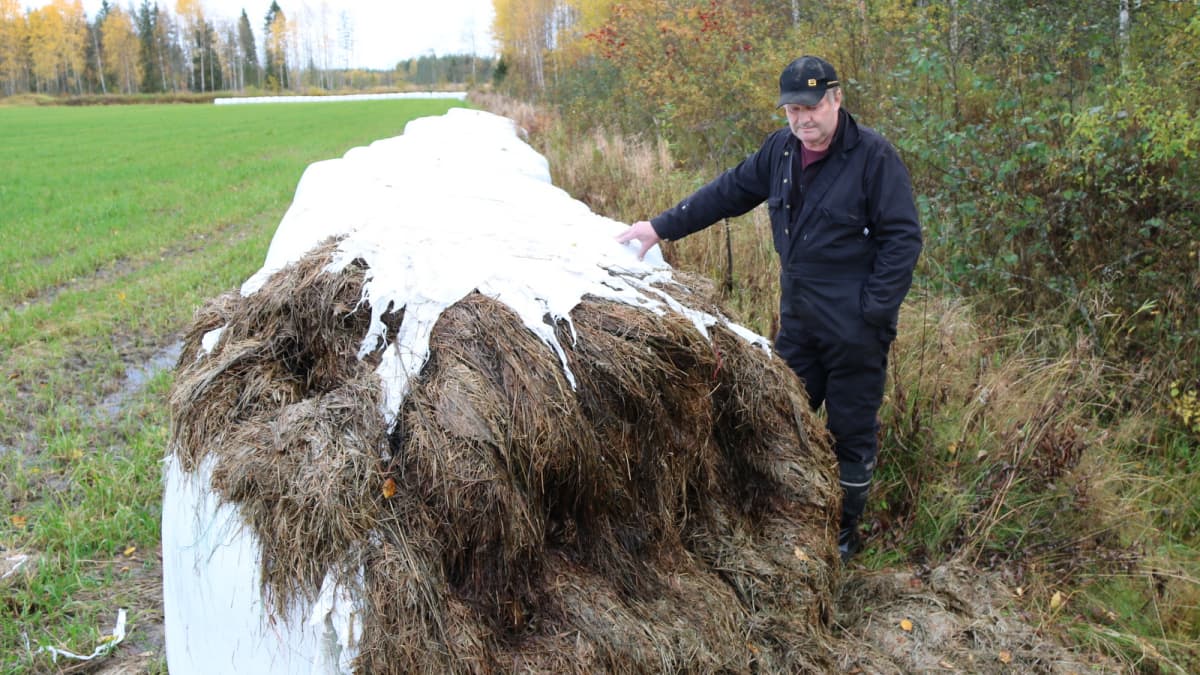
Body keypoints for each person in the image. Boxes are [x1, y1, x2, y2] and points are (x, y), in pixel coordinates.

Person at [617, 55, 922, 562]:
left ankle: (842, 539)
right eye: (792, 110)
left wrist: (872, 313)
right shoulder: (780, 152)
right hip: (799, 321)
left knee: (850, 433)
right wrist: (660, 226)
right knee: (782, 420)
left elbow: (902, 240)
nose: (802, 119)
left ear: (836, 99)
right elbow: (729, 192)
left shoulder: (874, 158)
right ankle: (788, 517)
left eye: (812, 105)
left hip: (856, 330)